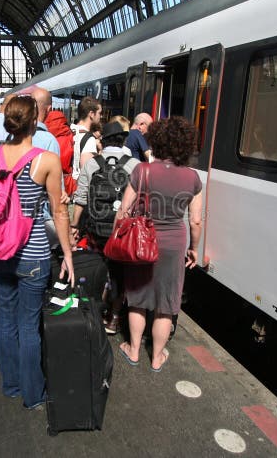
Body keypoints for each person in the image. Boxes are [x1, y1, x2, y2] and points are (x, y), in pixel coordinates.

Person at [0, 94, 75, 410]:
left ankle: (10, 385)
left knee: (5, 320)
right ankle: (33, 394)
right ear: (36, 119)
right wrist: (67, 253)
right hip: (34, 252)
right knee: (29, 325)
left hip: (1, 251)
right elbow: (59, 212)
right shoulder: (46, 161)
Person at [117, 116, 203, 372]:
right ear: (186, 146)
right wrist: (194, 249)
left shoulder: (142, 170)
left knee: (138, 298)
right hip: (174, 244)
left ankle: (133, 350)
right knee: (166, 304)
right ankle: (156, 357)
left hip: (142, 241)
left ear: (156, 141)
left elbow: (123, 210)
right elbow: (196, 221)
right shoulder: (192, 177)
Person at [71, 121, 140, 334]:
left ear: (103, 141)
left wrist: (74, 225)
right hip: (123, 231)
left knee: (99, 269)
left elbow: (81, 198)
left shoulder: (93, 164)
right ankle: (114, 318)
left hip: (96, 229)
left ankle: (95, 312)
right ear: (123, 140)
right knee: (119, 273)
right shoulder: (135, 164)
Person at [71, 96, 102, 180]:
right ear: (91, 114)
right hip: (77, 187)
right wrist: (100, 152)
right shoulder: (89, 139)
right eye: (99, 113)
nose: (100, 116)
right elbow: (88, 172)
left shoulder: (70, 130)